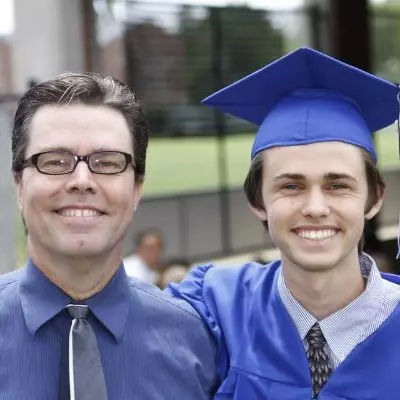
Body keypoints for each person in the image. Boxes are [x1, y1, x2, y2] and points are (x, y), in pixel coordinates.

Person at [169, 47, 400, 399]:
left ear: (374, 199)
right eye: (291, 186)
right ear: (257, 201)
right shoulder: (214, 305)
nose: (315, 207)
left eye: (338, 185)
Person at [0, 72, 217, 399]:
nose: (82, 180)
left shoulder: (193, 340)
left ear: (136, 189)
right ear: (19, 184)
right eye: (55, 162)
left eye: (107, 162)